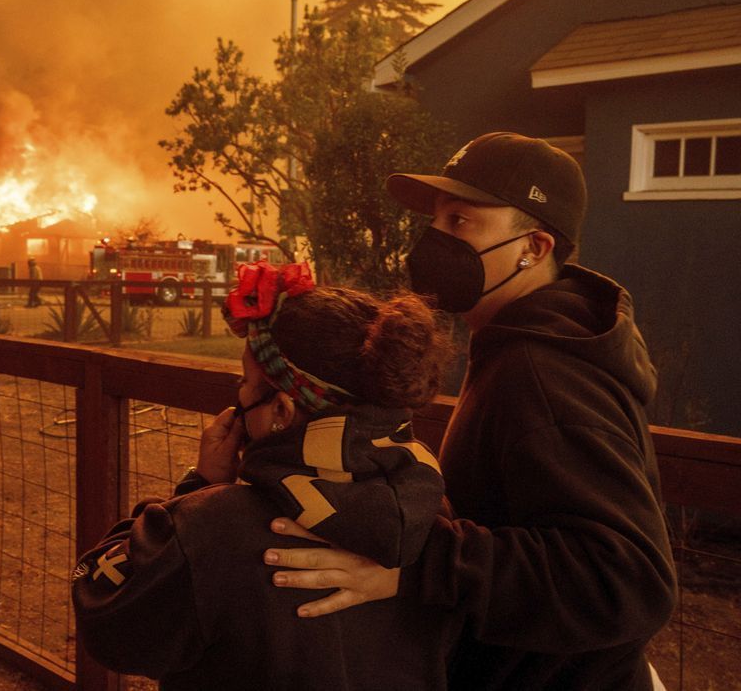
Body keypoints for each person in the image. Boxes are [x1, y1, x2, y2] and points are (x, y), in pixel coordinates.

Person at [262, 132, 677, 691]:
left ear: (533, 247)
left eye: (460, 221)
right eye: (436, 220)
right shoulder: (523, 343)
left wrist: (416, 565)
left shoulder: (543, 372)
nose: (434, 239)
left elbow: (626, 579)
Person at [73, 261, 456, 690]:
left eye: (245, 383)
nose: (238, 397)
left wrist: (197, 489)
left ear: (280, 411)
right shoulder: (433, 515)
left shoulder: (210, 525)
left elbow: (105, 618)